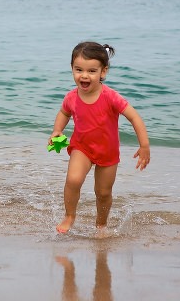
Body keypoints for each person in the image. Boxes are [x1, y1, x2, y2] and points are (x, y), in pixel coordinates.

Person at [48, 41, 150, 237]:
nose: (84, 75)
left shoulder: (111, 97)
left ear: (103, 72)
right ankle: (70, 216)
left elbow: (134, 117)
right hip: (82, 147)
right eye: (79, 70)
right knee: (73, 179)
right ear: (72, 69)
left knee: (103, 193)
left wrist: (144, 145)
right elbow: (64, 113)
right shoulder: (71, 97)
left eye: (91, 71)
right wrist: (57, 131)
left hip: (108, 151)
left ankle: (101, 225)